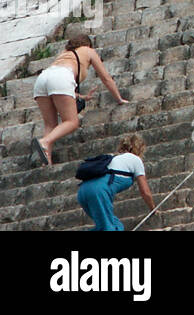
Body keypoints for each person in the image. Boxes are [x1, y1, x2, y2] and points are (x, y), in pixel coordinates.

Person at [32, 35, 128, 165]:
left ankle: (46, 161)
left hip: (42, 78)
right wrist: (119, 98)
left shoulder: (64, 54)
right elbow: (106, 78)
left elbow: (56, 85)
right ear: (88, 44)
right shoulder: (88, 51)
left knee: (50, 125)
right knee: (72, 122)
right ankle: (45, 142)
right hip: (62, 78)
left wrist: (82, 97)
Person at [76, 133, 155, 232]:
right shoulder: (136, 160)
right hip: (98, 192)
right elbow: (145, 191)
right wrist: (153, 209)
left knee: (113, 224)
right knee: (110, 228)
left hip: (83, 192)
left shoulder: (112, 158)